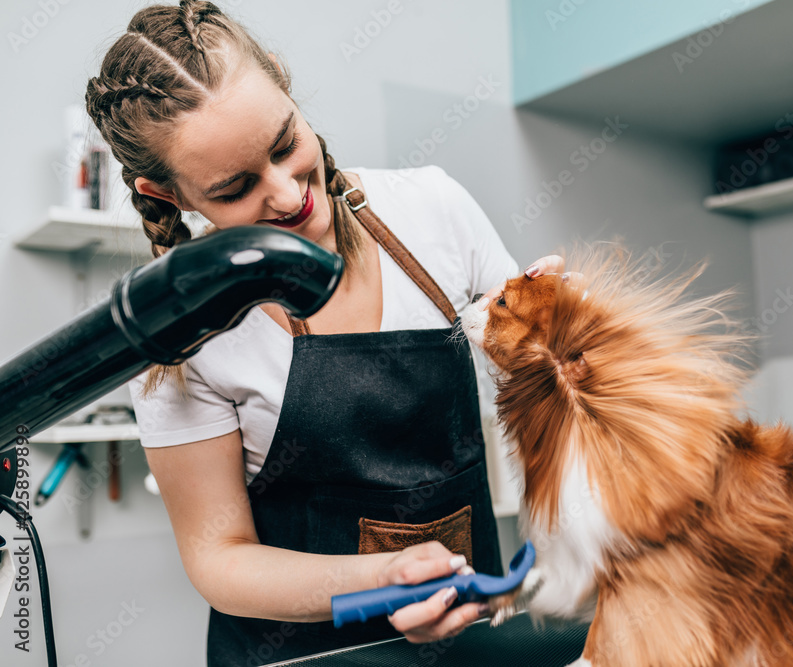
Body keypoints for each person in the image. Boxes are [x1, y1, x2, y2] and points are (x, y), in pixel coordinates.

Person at [85, 2, 563, 664]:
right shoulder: (181, 339)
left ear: (282, 82)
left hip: (468, 638)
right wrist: (385, 578)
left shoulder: (434, 212)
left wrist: (571, 336)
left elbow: (546, 392)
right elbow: (219, 559)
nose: (286, 194)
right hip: (300, 656)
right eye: (236, 187)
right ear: (168, 194)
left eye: (285, 145)